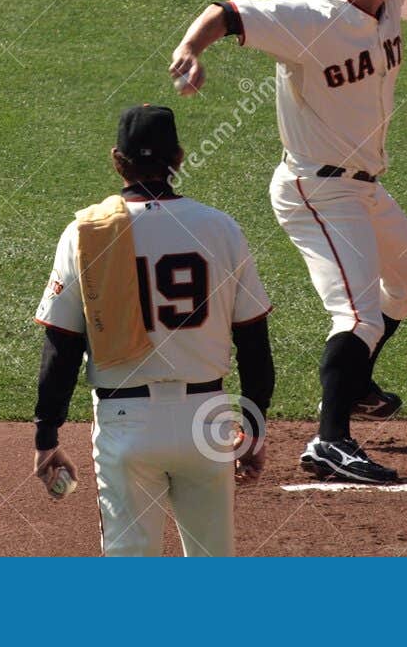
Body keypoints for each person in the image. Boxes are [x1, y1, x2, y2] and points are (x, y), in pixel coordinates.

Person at [168, 0, 407, 484]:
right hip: (318, 190)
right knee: (357, 316)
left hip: (364, 187)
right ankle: (330, 442)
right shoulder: (309, 19)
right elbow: (227, 12)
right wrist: (191, 49)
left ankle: (355, 386)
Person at [32, 105, 275, 557]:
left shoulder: (85, 233)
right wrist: (254, 428)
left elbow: (61, 346)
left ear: (116, 160)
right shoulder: (221, 229)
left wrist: (47, 437)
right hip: (207, 422)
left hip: (128, 426)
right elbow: (254, 341)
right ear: (179, 158)